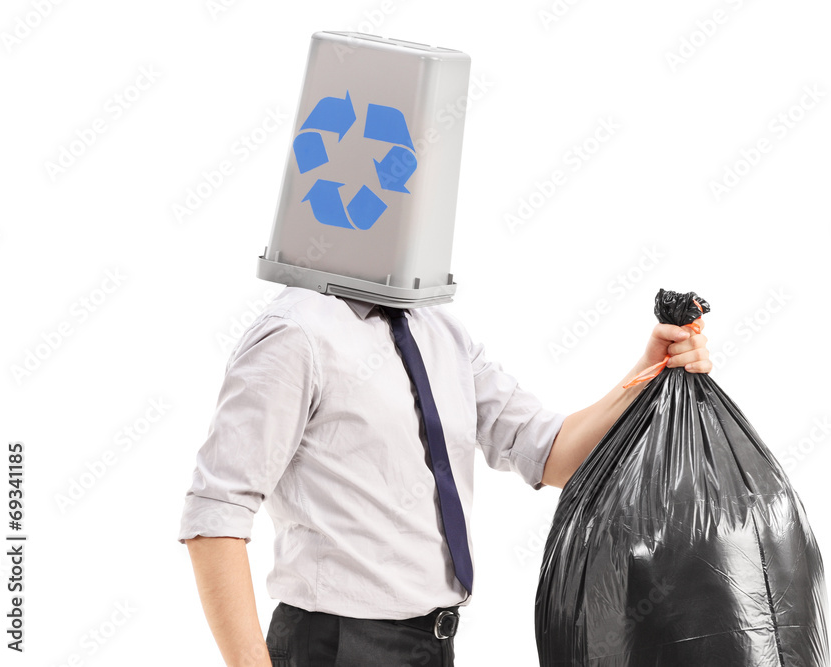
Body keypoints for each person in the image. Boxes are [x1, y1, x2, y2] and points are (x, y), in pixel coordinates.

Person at [176, 31, 712, 667]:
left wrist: (649, 373)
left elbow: (551, 453)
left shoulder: (438, 333)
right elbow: (216, 514)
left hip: (431, 643)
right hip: (337, 646)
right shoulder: (296, 334)